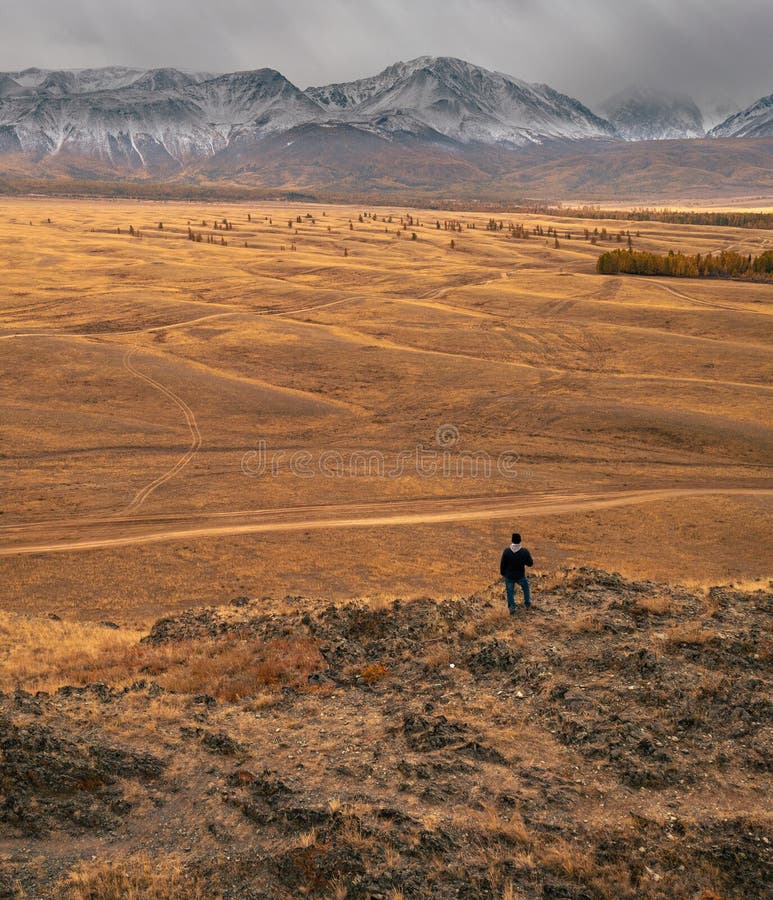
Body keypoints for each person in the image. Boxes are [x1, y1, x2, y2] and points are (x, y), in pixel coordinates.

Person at [500, 532, 533, 613]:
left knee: (510, 592)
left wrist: (503, 574)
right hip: (520, 575)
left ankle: (512, 607)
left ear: (512, 540)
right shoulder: (524, 551)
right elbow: (530, 563)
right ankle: (527, 603)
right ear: (520, 540)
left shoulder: (506, 551)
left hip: (509, 576)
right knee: (526, 587)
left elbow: (502, 564)